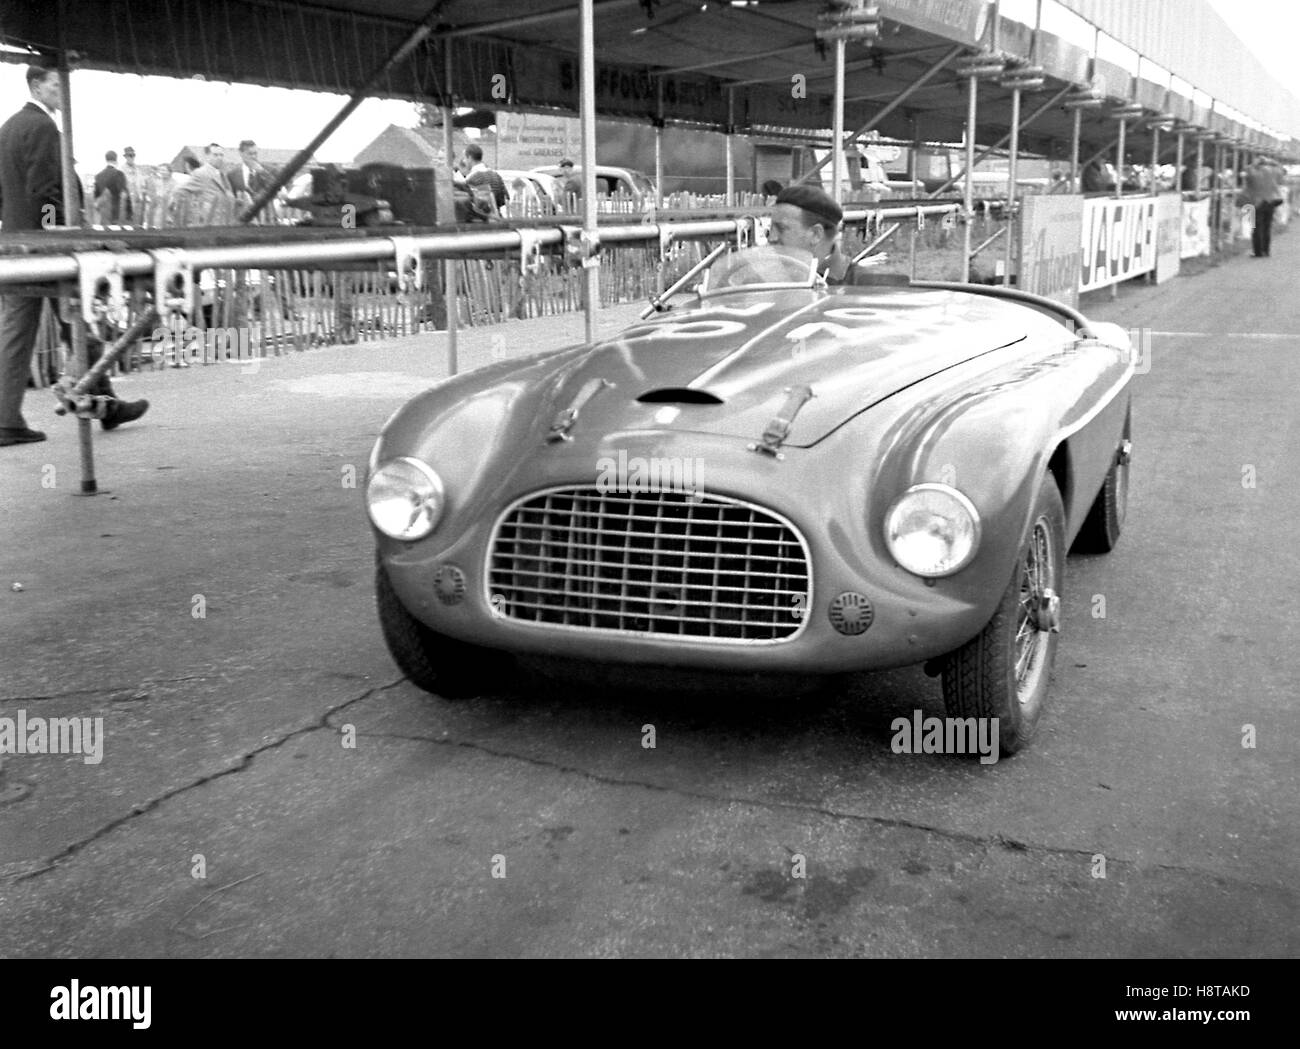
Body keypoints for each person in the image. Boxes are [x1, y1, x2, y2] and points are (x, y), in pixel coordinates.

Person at [0, 66, 147, 447]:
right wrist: (52, 233)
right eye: (54, 85)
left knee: (18, 332)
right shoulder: (44, 127)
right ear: (36, 85)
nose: (60, 92)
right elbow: (46, 191)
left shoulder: (8, 128)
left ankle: (6, 419)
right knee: (78, 323)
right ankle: (109, 406)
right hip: (45, 251)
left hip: (15, 244)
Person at [767, 184, 854, 284]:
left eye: (781, 228)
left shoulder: (862, 285)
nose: (771, 238)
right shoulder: (768, 277)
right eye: (770, 229)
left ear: (816, 234)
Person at [169, 143, 236, 226]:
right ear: (207, 156)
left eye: (221, 155)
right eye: (215, 155)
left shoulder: (222, 174)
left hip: (225, 220)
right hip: (209, 220)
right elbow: (180, 191)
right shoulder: (200, 173)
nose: (219, 158)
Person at [1243, 155, 1283, 258]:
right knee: (1267, 227)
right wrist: (1272, 161)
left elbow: (1246, 170)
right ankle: (1266, 250)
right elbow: (1281, 170)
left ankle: (1258, 252)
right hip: (1271, 201)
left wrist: (1254, 163)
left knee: (1256, 227)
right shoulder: (1274, 171)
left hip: (1257, 203)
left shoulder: (1254, 171)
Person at [462, 143, 508, 212]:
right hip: (497, 218)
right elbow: (505, 199)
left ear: (470, 158)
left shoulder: (471, 178)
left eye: (465, 158)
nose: (464, 161)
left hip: (481, 220)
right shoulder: (496, 176)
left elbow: (469, 206)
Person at [93, 149, 130, 223]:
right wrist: (129, 215)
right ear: (116, 160)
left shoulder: (98, 176)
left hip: (102, 216)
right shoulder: (120, 175)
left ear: (106, 160)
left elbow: (96, 198)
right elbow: (125, 195)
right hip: (116, 216)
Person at [121, 146, 144, 221]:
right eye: (129, 155)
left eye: (133, 155)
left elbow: (142, 184)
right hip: (126, 202)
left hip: (137, 202)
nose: (131, 157)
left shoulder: (138, 170)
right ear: (126, 157)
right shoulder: (121, 170)